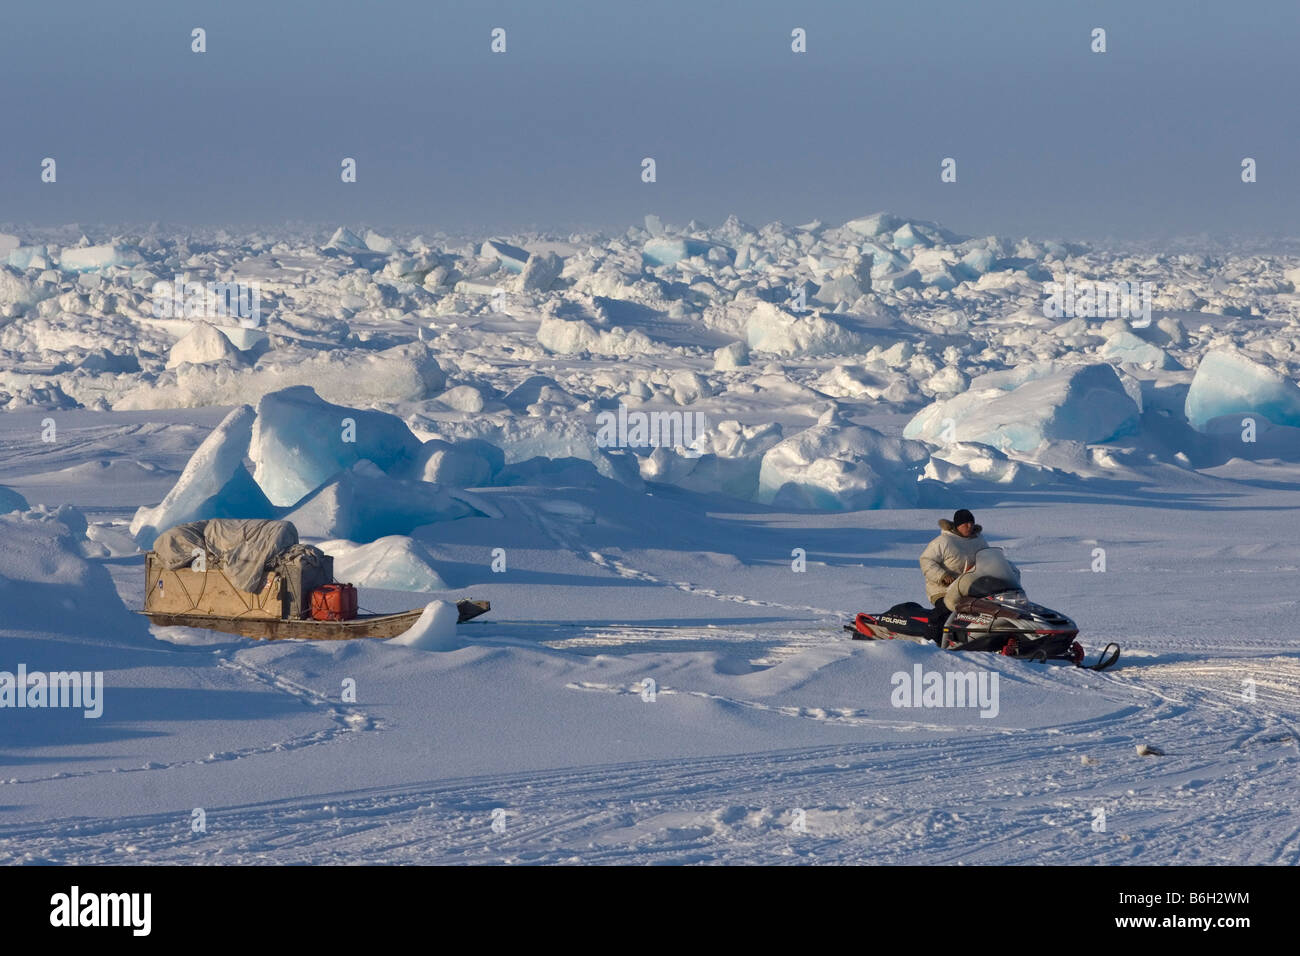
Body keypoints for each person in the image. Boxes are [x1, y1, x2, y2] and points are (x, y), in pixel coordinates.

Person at [918, 509, 988, 645]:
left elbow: (988, 557)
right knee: (946, 609)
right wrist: (942, 576)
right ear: (957, 525)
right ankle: (930, 641)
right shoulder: (943, 541)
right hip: (943, 589)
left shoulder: (978, 540)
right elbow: (926, 560)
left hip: (970, 587)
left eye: (971, 523)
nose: (969, 526)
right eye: (965, 524)